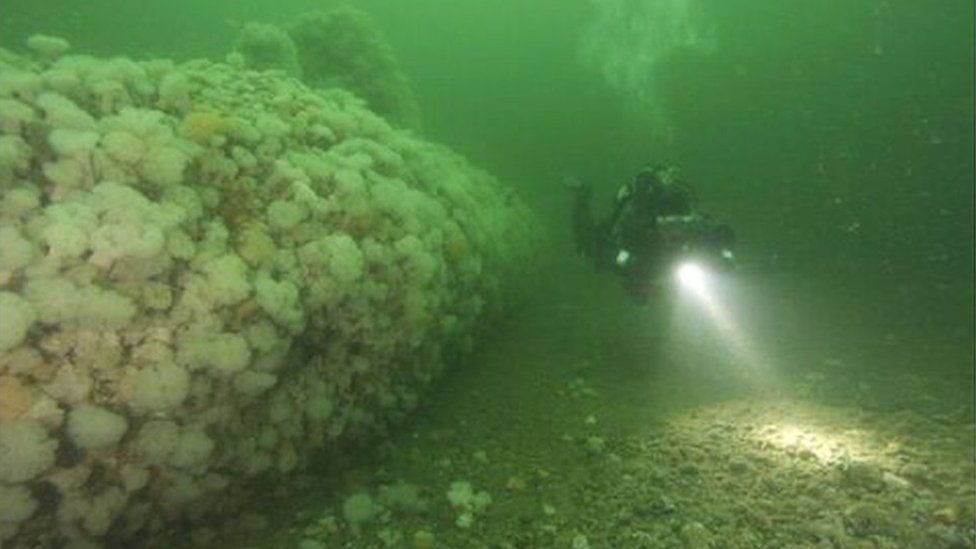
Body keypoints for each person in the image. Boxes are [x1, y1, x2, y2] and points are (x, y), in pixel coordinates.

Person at [569, 163, 736, 302]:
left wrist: (724, 253)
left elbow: (717, 232)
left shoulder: (685, 221)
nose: (672, 229)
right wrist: (633, 269)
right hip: (634, 249)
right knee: (587, 247)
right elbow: (613, 252)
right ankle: (581, 194)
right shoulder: (634, 228)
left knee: (593, 248)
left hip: (651, 255)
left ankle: (581, 195)